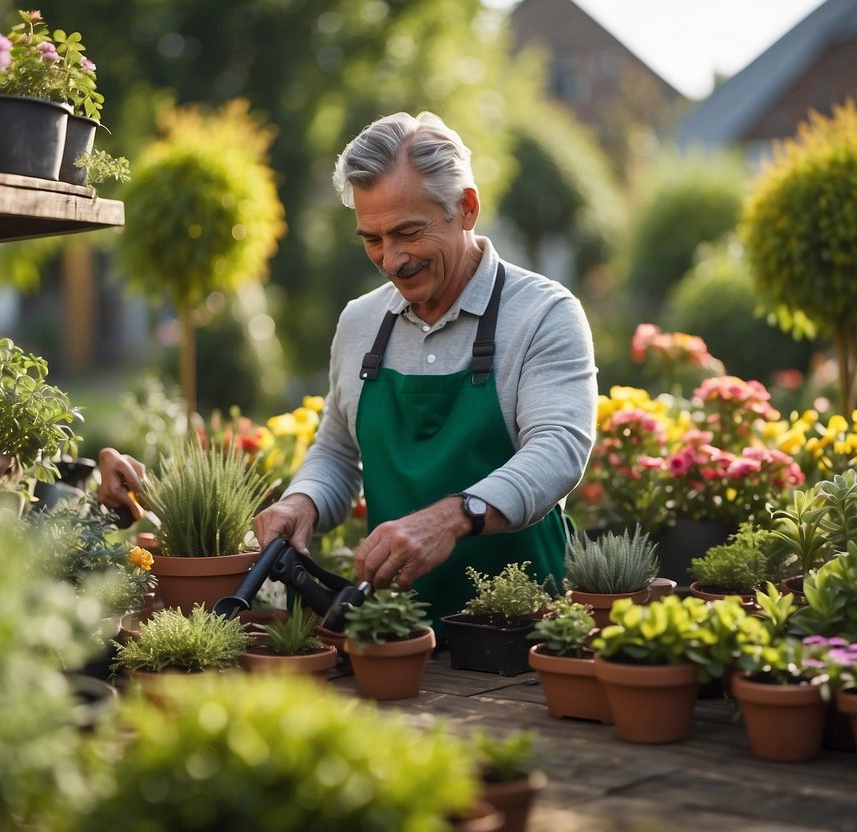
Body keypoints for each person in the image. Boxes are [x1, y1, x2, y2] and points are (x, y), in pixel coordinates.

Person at [100, 111, 597, 631]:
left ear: (466, 208)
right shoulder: (362, 321)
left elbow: (558, 449)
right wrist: (303, 502)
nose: (392, 260)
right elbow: (338, 451)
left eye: (408, 232)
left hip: (517, 632)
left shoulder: (542, 314)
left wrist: (453, 517)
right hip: (390, 629)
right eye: (372, 239)